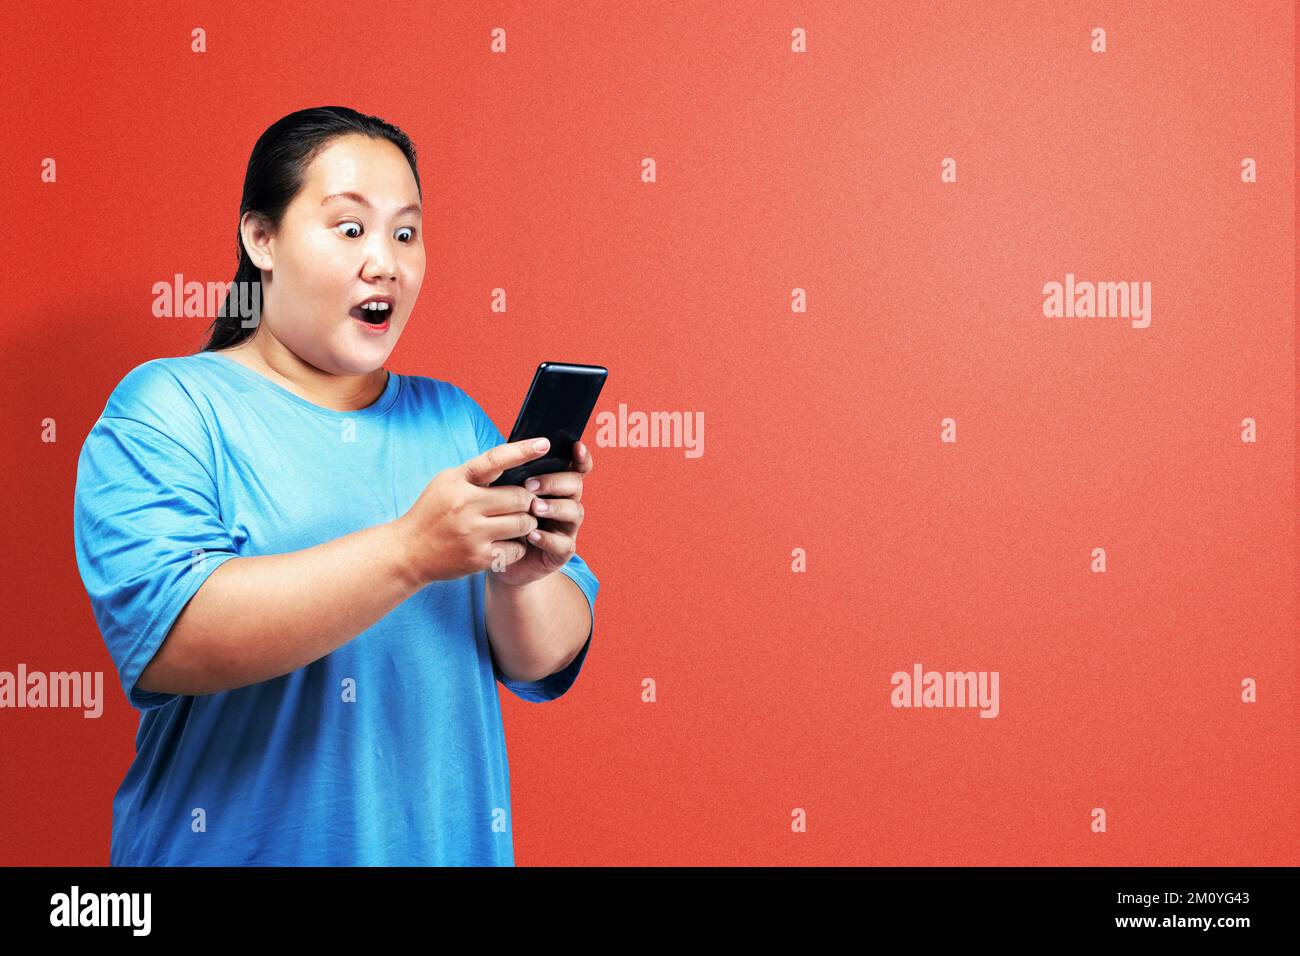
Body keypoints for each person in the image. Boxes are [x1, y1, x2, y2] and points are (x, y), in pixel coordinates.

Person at [71, 106, 599, 866]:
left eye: (405, 233)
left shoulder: (456, 422)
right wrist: (413, 553)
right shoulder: (168, 408)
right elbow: (172, 641)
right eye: (350, 229)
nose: (385, 261)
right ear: (262, 240)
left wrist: (521, 580)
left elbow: (542, 658)